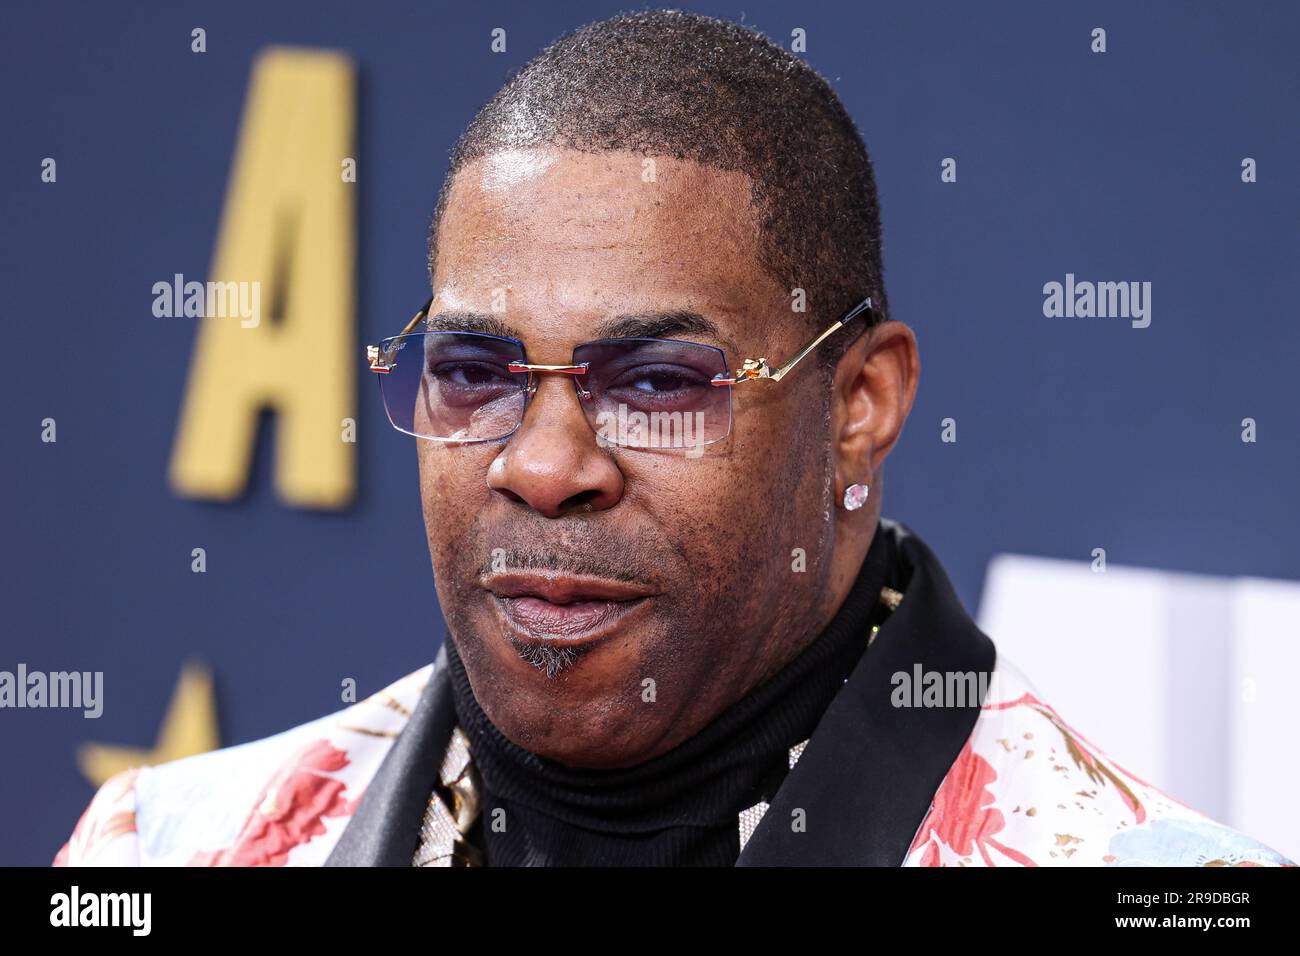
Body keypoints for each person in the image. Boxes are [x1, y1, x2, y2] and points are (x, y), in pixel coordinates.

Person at [55, 9, 1292, 868]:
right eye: (475, 371)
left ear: (859, 404)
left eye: (654, 379)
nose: (541, 466)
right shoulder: (164, 843)